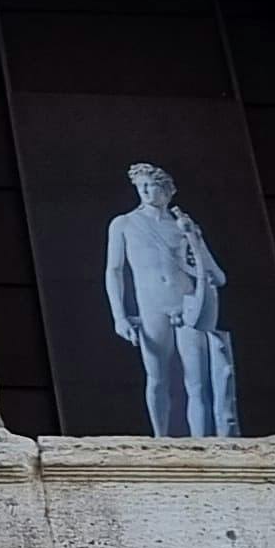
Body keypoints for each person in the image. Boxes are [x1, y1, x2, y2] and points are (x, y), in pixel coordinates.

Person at [103, 160, 237, 437]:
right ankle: (160, 439)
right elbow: (114, 271)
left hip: (187, 303)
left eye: (152, 186)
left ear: (167, 191)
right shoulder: (124, 224)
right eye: (142, 187)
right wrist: (119, 315)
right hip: (152, 306)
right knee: (157, 378)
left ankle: (201, 442)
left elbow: (217, 276)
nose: (146, 192)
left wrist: (193, 237)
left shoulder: (182, 226)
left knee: (196, 383)